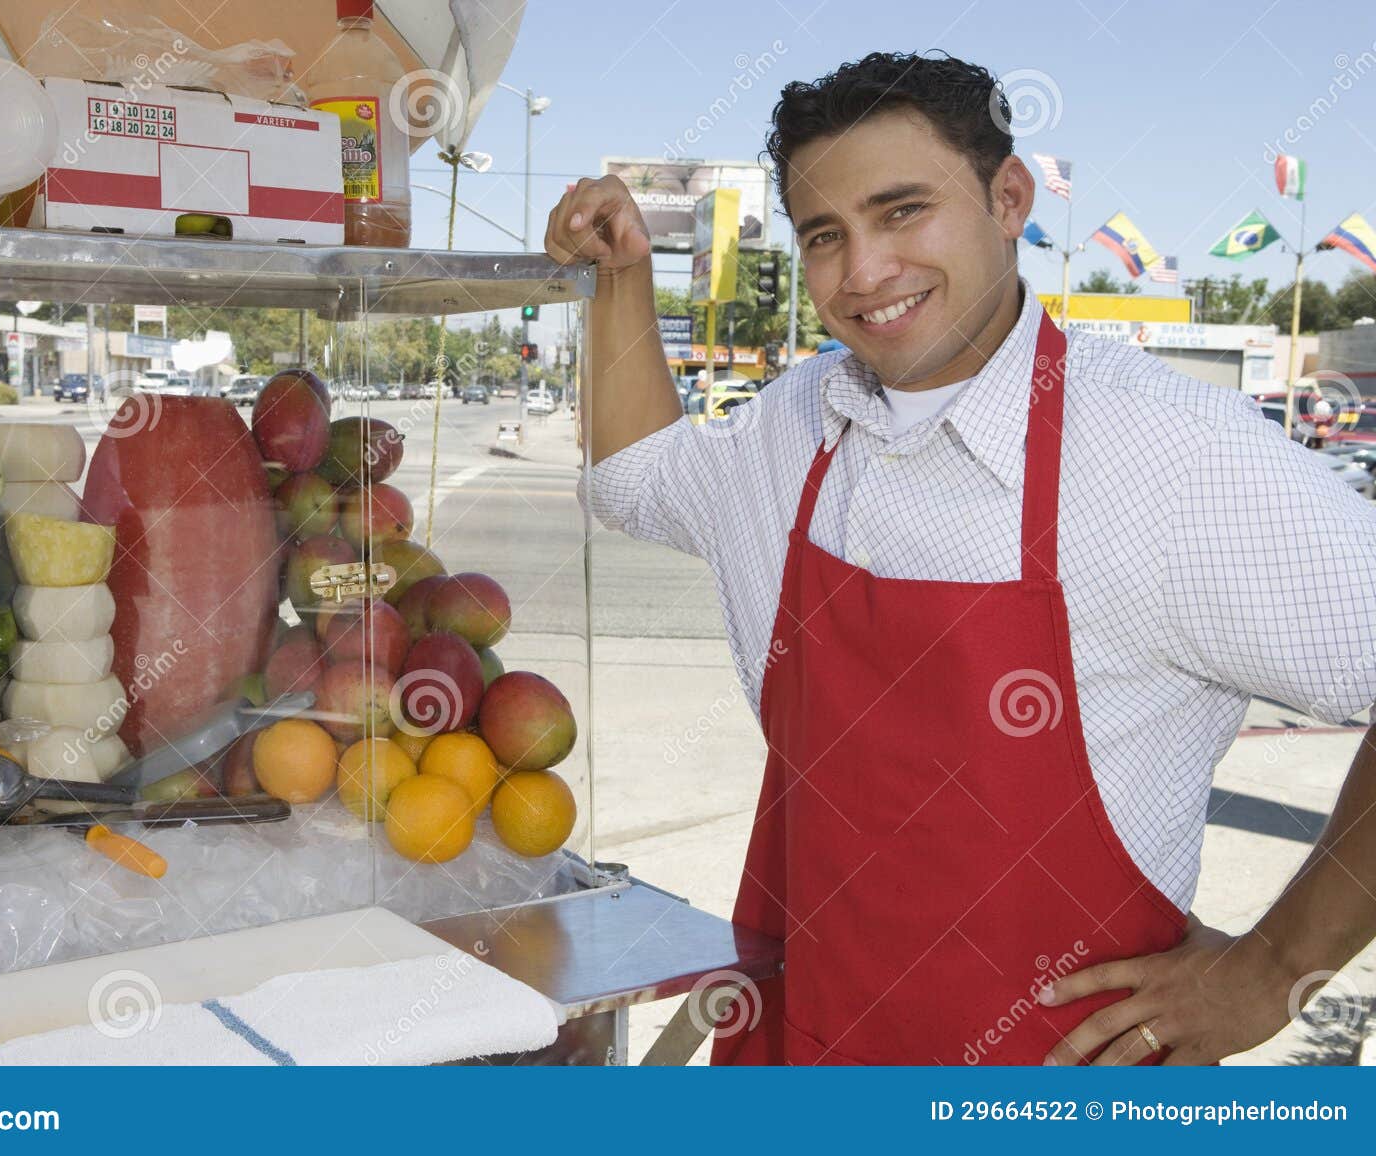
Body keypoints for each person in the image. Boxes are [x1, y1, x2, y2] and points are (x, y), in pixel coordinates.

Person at [547, 51, 1376, 1066]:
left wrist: (1271, 969)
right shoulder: (794, 424)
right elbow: (634, 477)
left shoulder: (1170, 453)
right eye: (825, 235)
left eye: (901, 212)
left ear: (1008, 199)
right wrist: (618, 277)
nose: (862, 272)